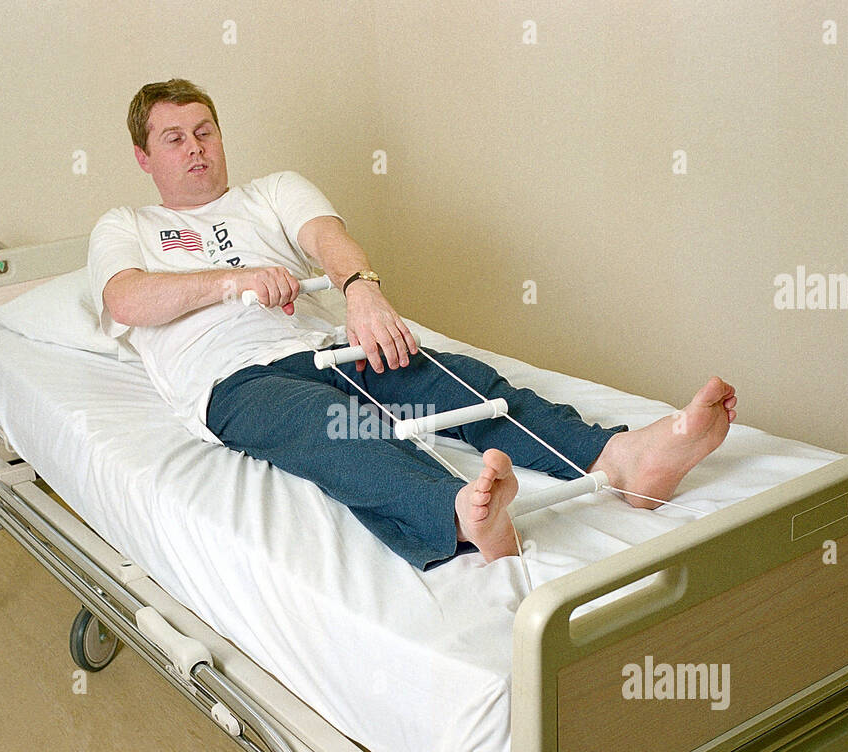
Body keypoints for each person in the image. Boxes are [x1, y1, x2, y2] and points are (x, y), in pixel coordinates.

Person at [89, 79, 739, 569]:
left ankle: (621, 457)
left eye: (205, 130)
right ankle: (460, 515)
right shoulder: (126, 227)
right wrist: (235, 282)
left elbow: (328, 238)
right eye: (175, 138)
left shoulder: (271, 192)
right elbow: (127, 300)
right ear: (144, 156)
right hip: (239, 379)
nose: (196, 148)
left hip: (330, 344)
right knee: (331, 428)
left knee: (464, 381)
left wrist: (363, 294)